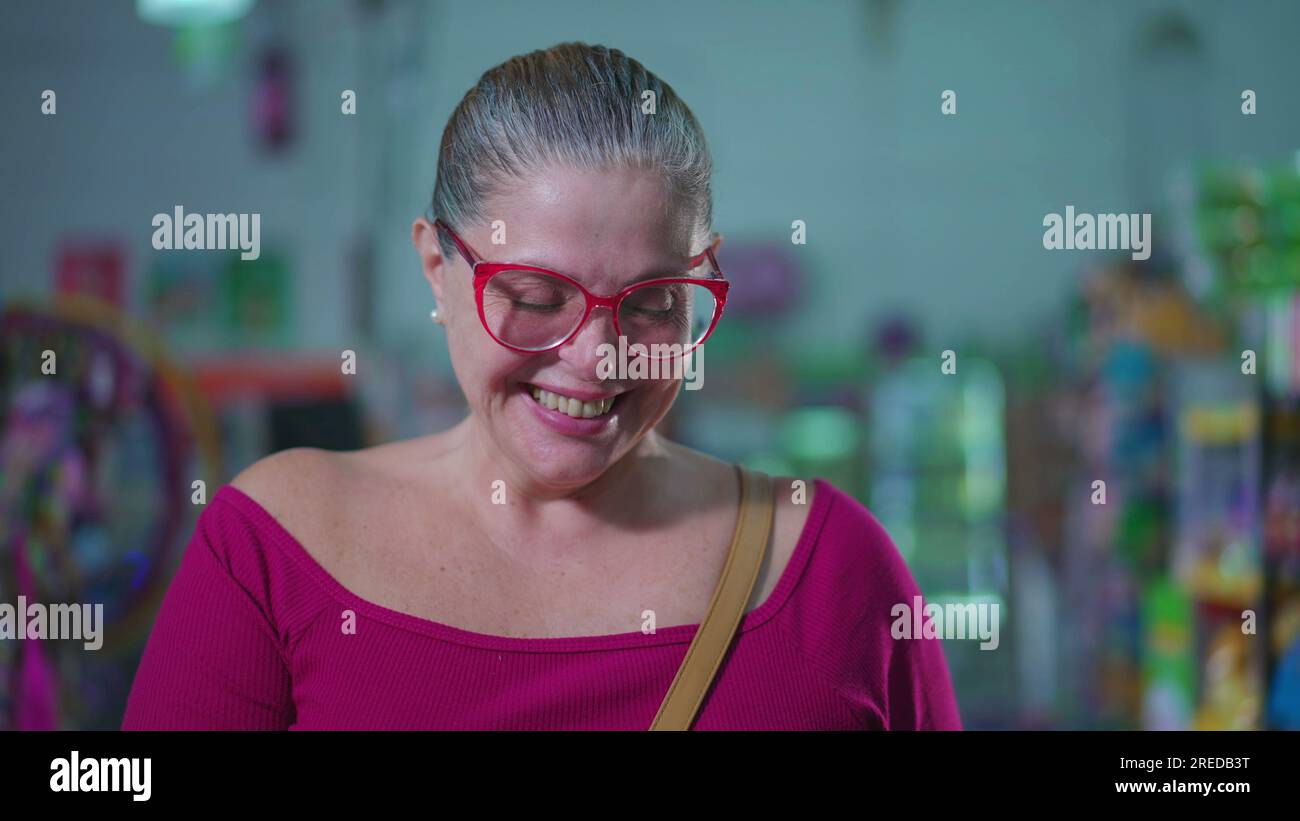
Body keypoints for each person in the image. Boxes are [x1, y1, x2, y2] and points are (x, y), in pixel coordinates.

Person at [121, 42, 961, 730]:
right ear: (436, 269)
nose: (600, 358)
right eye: (534, 298)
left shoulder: (832, 570)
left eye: (653, 304)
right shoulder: (275, 545)